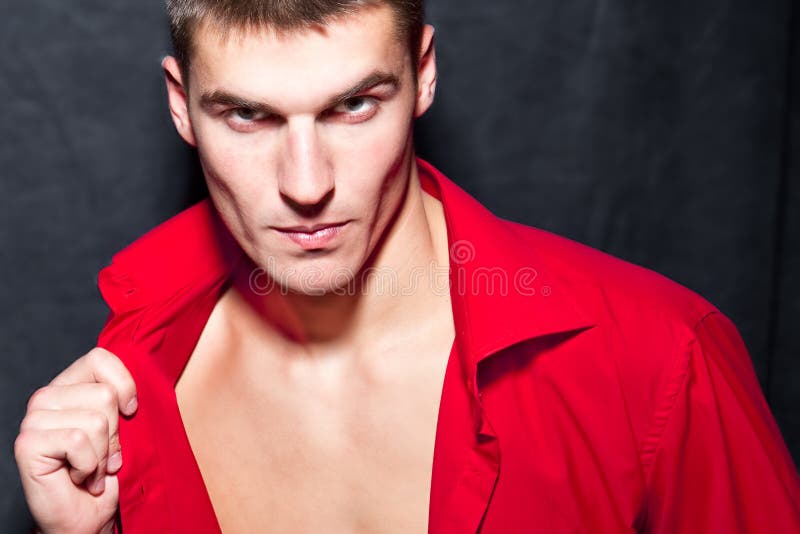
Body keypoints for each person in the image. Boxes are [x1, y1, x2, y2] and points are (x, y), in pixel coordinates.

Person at [13, 0, 800, 532]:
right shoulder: (132, 376)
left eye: (354, 106)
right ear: (182, 105)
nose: (307, 184)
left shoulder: (657, 361)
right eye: (248, 115)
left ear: (423, 74)